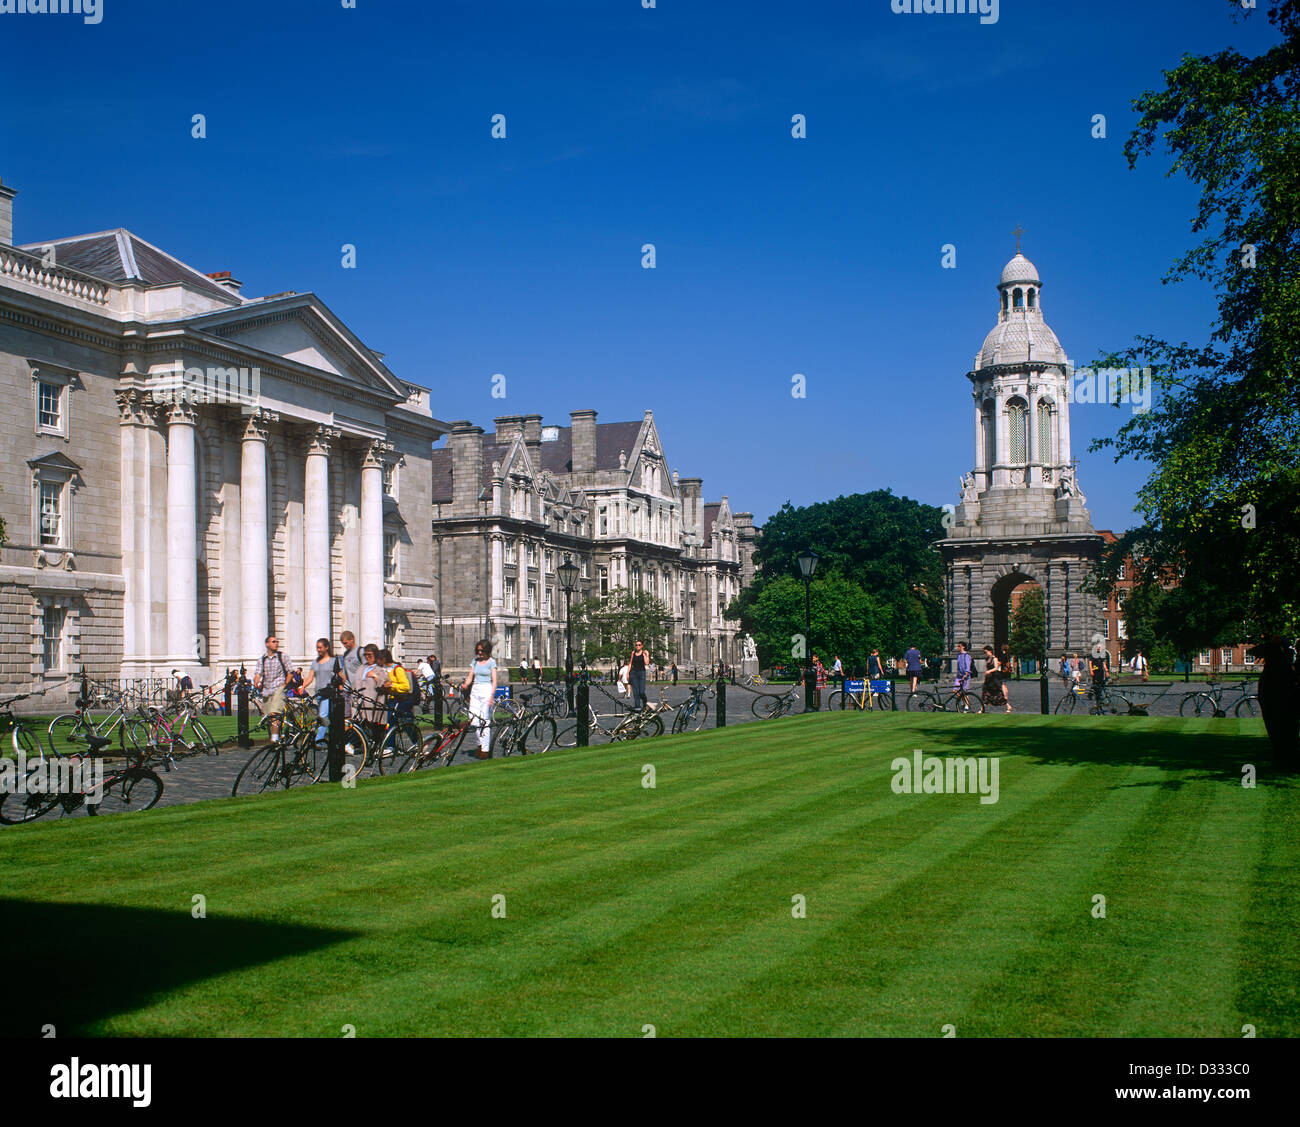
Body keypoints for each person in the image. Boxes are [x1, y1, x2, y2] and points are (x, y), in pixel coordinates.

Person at [458, 638, 498, 759]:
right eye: (478, 651)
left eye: (482, 651)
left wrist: (491, 696)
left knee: (485, 720)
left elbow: (495, 681)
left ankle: (485, 750)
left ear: (487, 650)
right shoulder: (475, 661)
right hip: (475, 690)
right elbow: (470, 677)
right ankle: (480, 744)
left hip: (486, 689)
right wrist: (466, 684)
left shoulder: (492, 662)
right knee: (473, 719)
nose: (479, 653)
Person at [253, 635, 294, 741]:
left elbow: (290, 671)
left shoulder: (283, 656)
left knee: (274, 713)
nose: (276, 643)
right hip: (267, 690)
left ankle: (274, 738)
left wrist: (285, 684)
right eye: (273, 641)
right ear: (267, 644)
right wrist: (256, 682)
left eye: (277, 641)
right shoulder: (262, 659)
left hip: (279, 688)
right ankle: (278, 735)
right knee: (269, 716)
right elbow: (258, 673)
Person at [300, 637, 337, 748]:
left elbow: (340, 676)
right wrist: (303, 686)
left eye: (320, 647)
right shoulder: (315, 662)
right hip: (319, 694)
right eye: (317, 647)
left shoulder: (333, 661)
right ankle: (333, 740)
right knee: (328, 718)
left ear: (326, 647)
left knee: (323, 716)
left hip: (329, 693)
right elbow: (310, 677)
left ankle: (318, 741)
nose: (318, 650)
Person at [339, 630, 362, 718]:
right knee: (346, 716)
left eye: (346, 643)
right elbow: (344, 672)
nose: (344, 646)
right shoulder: (345, 654)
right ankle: (347, 731)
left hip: (358, 689)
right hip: (347, 688)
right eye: (343, 644)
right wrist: (342, 685)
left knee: (356, 714)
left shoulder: (360, 651)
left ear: (352, 639)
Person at [982, 645, 1011, 713]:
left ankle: (1008, 706)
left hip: (994, 677)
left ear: (990, 651)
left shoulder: (994, 658)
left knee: (998, 693)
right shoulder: (988, 659)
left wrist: (989, 671)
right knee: (985, 692)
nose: (986, 653)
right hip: (989, 678)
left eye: (986, 652)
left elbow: (996, 668)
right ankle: (982, 708)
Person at [626, 640, 649, 710]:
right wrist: (628, 673)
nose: (637, 646)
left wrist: (647, 655)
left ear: (642, 646)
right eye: (636, 645)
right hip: (634, 673)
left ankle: (645, 701)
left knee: (641, 691)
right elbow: (630, 663)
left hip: (641, 673)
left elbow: (646, 663)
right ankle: (637, 707)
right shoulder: (633, 653)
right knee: (636, 692)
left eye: (639, 645)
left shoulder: (644, 654)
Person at [953, 641, 974, 711]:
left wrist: (966, 674)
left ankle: (967, 705)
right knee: (955, 690)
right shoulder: (958, 655)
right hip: (959, 676)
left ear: (963, 647)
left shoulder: (966, 655)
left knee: (965, 691)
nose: (958, 647)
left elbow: (968, 665)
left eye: (959, 646)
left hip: (965, 676)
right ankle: (962, 701)